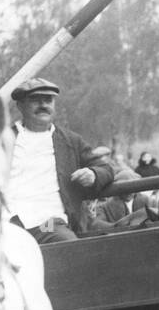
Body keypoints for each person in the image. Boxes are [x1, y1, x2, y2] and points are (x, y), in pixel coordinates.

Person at [6, 77, 116, 243]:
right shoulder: (2, 140)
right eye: (35, 100)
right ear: (20, 105)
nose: (43, 105)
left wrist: (93, 174)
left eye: (48, 100)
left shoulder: (70, 141)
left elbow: (105, 168)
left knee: (68, 246)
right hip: (8, 224)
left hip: (47, 224)